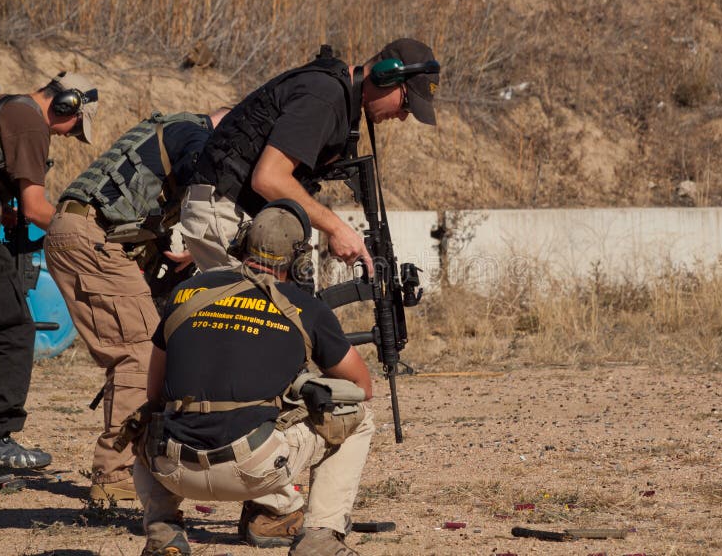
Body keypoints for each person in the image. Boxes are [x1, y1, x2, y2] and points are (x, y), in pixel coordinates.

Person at [134, 199, 374, 556]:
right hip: (253, 468)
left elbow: (153, 394)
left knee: (147, 418)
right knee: (360, 420)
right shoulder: (306, 307)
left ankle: (163, 530)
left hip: (173, 467)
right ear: (299, 259)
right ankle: (321, 538)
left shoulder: (186, 292)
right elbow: (362, 387)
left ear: (242, 245)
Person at [44, 107, 229, 500]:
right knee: (139, 353)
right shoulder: (198, 137)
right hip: (92, 239)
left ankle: (129, 463)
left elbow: (144, 201)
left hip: (79, 232)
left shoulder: (173, 129)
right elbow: (205, 198)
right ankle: (114, 474)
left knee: (134, 348)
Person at [180, 37, 439, 274]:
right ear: (386, 76)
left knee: (291, 313)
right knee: (258, 320)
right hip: (225, 210)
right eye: (406, 103)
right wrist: (336, 228)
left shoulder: (339, 99)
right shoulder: (325, 96)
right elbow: (268, 178)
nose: (404, 116)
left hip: (234, 214)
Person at [0, 72, 98, 469]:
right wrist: (81, 230)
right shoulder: (30, 121)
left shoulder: (6, 107)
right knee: (14, 326)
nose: (69, 135)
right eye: (75, 126)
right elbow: (36, 207)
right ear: (66, 103)